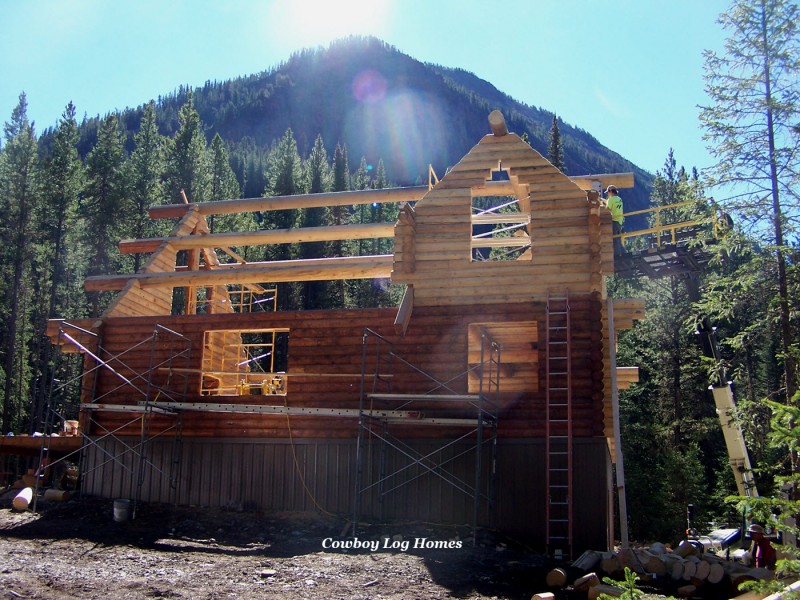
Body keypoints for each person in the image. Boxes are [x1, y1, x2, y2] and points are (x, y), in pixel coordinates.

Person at [603, 185, 625, 255]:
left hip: (614, 221)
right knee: (618, 239)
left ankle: (618, 256)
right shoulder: (619, 199)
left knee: (615, 240)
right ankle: (623, 254)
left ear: (611, 191)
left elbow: (608, 210)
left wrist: (603, 206)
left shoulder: (611, 199)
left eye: (608, 192)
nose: (607, 194)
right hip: (619, 221)